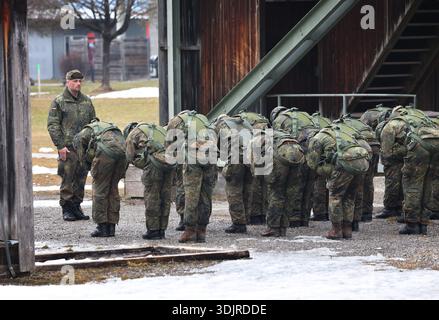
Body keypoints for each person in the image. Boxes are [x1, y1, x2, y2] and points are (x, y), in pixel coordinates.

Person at [47, 69, 96, 221]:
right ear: (68, 82)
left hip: (83, 148)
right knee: (67, 178)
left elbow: (93, 123)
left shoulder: (87, 101)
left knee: (81, 178)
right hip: (67, 147)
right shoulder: (59, 101)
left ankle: (77, 207)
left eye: (80, 81)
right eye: (75, 81)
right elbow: (53, 125)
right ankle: (67, 208)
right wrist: (60, 146)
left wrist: (92, 144)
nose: (78, 84)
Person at [307, 123, 370, 239]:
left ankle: (336, 230)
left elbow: (312, 164)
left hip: (344, 163)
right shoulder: (345, 132)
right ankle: (347, 230)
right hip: (360, 163)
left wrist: (323, 170)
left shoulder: (317, 138)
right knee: (350, 197)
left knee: (335, 196)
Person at [166, 110, 218, 243]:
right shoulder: (203, 117)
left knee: (191, 194)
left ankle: (189, 230)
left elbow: (169, 144)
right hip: (211, 155)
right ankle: (202, 230)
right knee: (206, 195)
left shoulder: (176, 121)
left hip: (193, 158)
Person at [74, 119, 127, 237]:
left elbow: (81, 155)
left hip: (105, 154)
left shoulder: (84, 132)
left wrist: (88, 166)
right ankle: (111, 226)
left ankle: (102, 227)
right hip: (122, 155)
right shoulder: (110, 126)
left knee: (100, 190)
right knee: (113, 189)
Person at [125, 122, 176, 240]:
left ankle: (153, 230)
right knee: (165, 197)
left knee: (152, 197)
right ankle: (162, 230)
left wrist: (144, 163)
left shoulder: (133, 134)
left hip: (154, 166)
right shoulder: (160, 130)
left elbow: (129, 156)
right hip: (169, 164)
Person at [271, 107, 319, 227]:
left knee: (296, 185)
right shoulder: (306, 115)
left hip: (298, 152)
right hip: (314, 151)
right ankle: (305, 218)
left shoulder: (280, 119)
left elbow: (278, 140)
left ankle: (294, 218)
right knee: (309, 186)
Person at [214, 114, 253, 234]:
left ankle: (238, 224)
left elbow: (221, 151)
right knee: (247, 189)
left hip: (236, 159)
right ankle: (244, 219)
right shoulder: (245, 123)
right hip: (251, 158)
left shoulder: (223, 125)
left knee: (234, 191)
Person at [235, 111, 270, 225]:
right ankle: (263, 214)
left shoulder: (241, 118)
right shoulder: (260, 117)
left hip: (256, 146)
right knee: (264, 183)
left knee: (255, 184)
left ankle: (255, 215)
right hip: (266, 147)